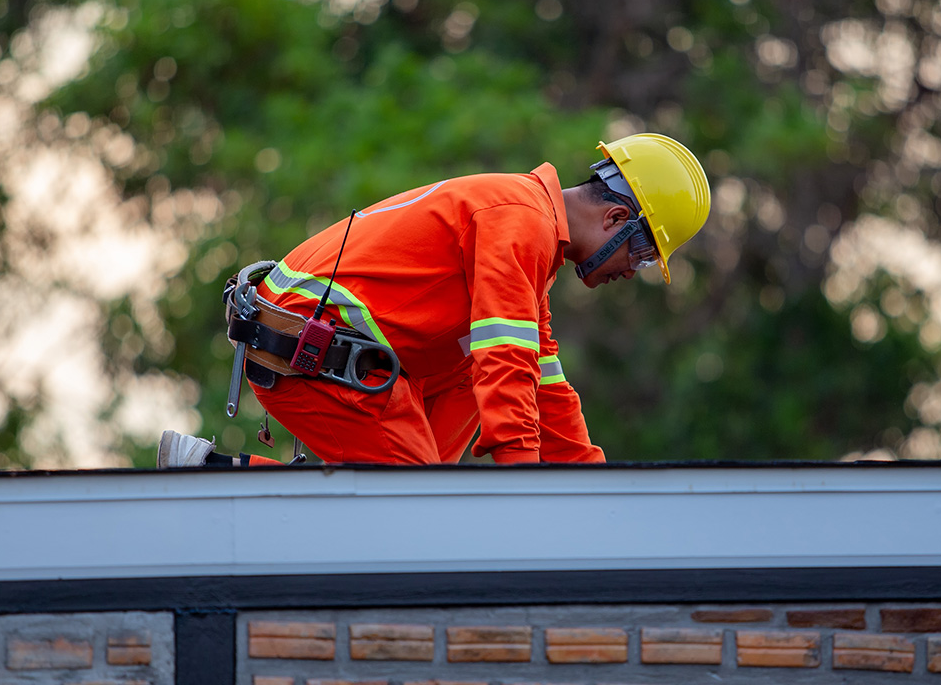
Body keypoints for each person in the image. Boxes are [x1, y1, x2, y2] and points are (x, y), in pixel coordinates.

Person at [157, 133, 710, 467]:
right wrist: (528, 482)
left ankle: (212, 469)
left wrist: (591, 489)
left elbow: (545, 386)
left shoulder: (530, 237)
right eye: (640, 254)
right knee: (412, 511)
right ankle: (211, 475)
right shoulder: (521, 222)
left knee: (423, 487)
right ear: (615, 219)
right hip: (311, 344)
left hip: (320, 341)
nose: (631, 272)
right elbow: (507, 362)